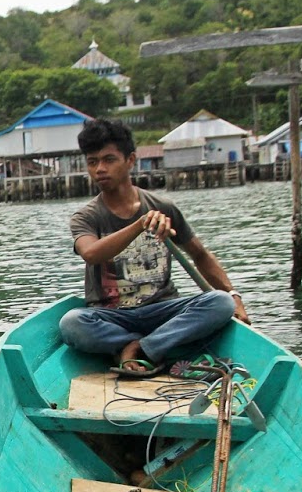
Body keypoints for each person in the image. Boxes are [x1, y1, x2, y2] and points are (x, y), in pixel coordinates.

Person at [59, 118, 248, 376]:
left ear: (131, 160)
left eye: (109, 159)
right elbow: (91, 254)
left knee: (220, 303)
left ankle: (142, 347)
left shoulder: (163, 207)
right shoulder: (86, 217)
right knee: (72, 324)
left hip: (163, 310)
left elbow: (200, 255)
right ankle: (137, 343)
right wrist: (140, 225)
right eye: (92, 162)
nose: (100, 169)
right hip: (113, 316)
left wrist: (234, 296)